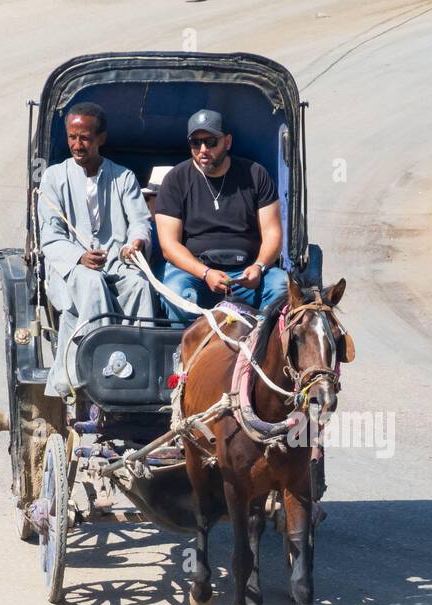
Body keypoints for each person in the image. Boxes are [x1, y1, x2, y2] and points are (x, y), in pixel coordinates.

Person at [38, 102, 155, 397]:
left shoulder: (123, 178)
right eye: (72, 138)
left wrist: (136, 242)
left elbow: (140, 222)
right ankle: (100, 369)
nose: (77, 145)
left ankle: (140, 369)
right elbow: (50, 234)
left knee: (139, 285)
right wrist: (79, 256)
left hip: (118, 263)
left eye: (85, 138)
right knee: (92, 282)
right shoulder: (53, 177)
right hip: (72, 268)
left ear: (100, 138)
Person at [153, 109, 288, 323]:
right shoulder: (175, 180)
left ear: (227, 142)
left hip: (246, 272)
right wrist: (205, 273)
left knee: (281, 286)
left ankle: (260, 350)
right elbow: (169, 245)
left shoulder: (255, 174)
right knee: (177, 294)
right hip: (194, 272)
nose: (203, 149)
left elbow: (273, 233)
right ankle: (182, 354)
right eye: (196, 143)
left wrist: (259, 266)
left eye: (210, 141)